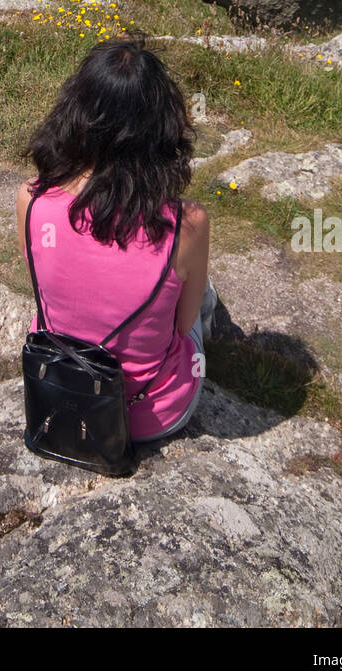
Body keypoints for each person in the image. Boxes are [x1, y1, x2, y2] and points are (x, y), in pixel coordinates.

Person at [17, 38, 215, 445]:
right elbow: (181, 325)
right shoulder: (187, 223)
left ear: (76, 111)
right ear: (163, 125)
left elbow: (43, 287)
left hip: (59, 393)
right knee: (203, 298)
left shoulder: (31, 200)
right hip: (150, 416)